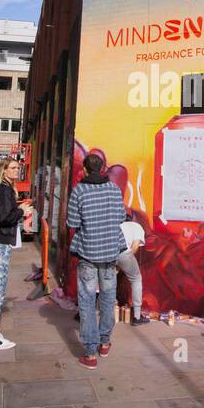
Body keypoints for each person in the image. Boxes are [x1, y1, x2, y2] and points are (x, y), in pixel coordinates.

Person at [66, 153, 128, 369]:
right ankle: (105, 342)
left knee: (86, 300)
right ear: (102, 168)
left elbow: (72, 222)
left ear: (84, 169)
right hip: (110, 252)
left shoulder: (79, 190)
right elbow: (121, 217)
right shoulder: (113, 189)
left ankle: (90, 353)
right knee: (108, 297)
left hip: (88, 253)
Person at [0, 157, 33, 350]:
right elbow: (2, 217)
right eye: (13, 168)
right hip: (0, 243)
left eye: (18, 168)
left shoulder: (2, 189)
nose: (17, 171)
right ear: (4, 171)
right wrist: (21, 211)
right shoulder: (4, 191)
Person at [117, 221, 148, 325]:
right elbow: (134, 247)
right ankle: (137, 316)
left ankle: (108, 313)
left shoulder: (119, 225)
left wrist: (118, 265)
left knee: (108, 281)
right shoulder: (138, 226)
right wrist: (126, 260)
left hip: (110, 253)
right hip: (124, 253)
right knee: (136, 279)